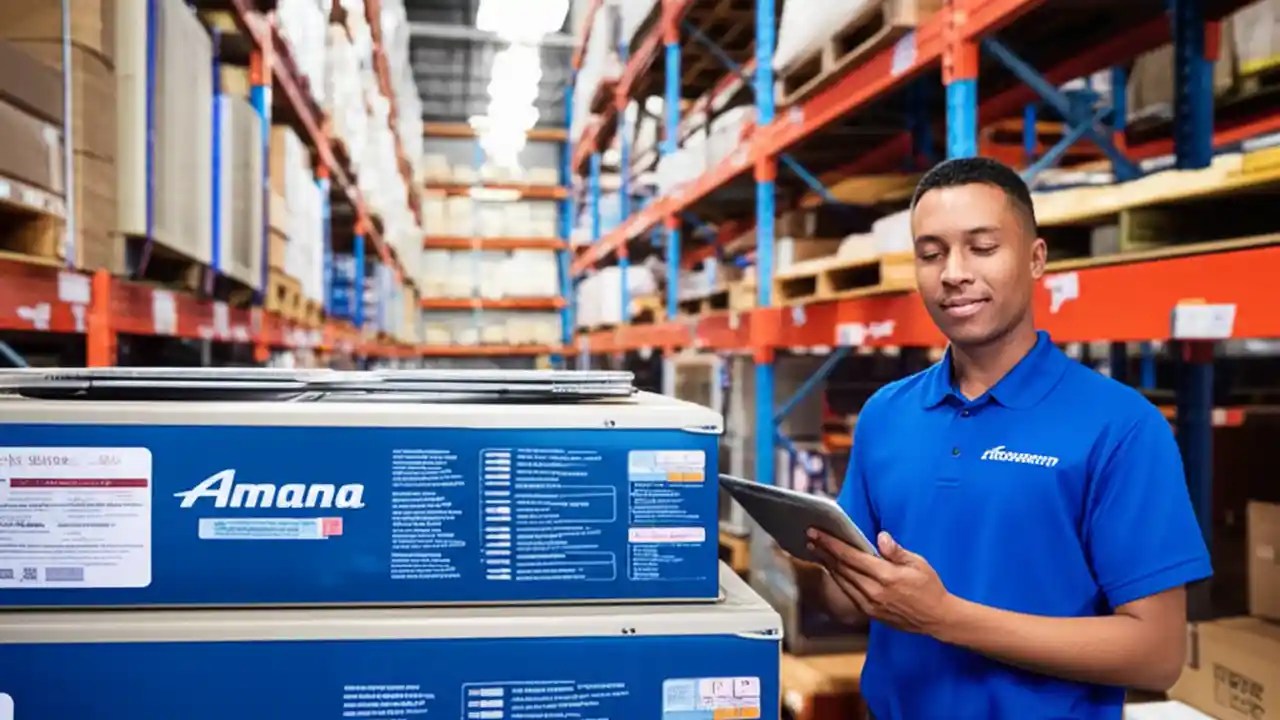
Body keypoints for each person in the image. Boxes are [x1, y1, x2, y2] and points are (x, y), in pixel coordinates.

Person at [795, 157, 1212, 719]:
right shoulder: (884, 416)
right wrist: (822, 560)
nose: (954, 273)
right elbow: (852, 605)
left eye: (983, 247)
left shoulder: (1120, 426)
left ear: (1036, 258)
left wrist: (943, 616)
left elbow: (1158, 654)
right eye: (931, 253)